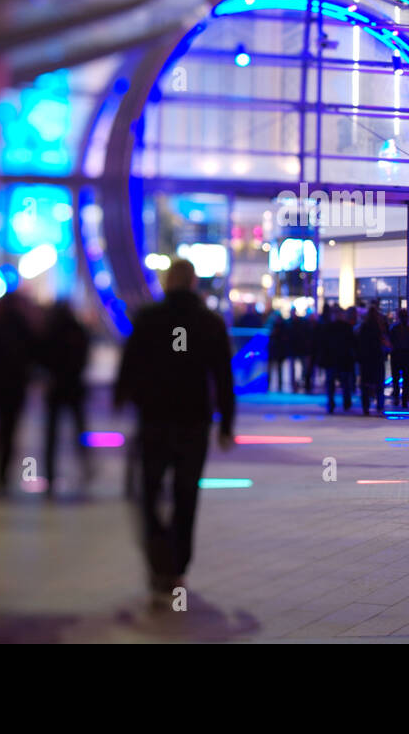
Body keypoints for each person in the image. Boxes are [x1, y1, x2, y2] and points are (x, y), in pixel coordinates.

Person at [114, 259, 235, 606]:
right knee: (186, 494)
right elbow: (223, 378)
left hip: (154, 417)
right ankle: (178, 565)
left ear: (167, 282)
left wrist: (123, 395)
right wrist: (226, 424)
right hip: (193, 421)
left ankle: (158, 560)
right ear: (194, 283)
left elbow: (130, 361)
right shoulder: (209, 322)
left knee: (150, 490)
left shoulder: (149, 318)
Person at [39, 300, 93, 498]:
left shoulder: (51, 331)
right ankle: (86, 468)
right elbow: (84, 356)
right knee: (78, 431)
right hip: (73, 387)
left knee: (52, 435)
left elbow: (42, 356)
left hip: (57, 388)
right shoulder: (77, 331)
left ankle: (51, 475)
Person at [0, 292, 35, 497]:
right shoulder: (22, 327)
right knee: (9, 430)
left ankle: (0, 474)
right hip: (15, 387)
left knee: (2, 431)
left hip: (0, 386)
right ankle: (2, 474)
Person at [323, 306, 356, 414]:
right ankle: (346, 403)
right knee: (344, 383)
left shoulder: (329, 327)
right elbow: (352, 344)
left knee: (332, 384)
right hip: (343, 360)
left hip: (334, 360)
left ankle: (332, 404)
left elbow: (324, 345)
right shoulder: (346, 327)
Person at [355, 304, 388, 414]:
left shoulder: (364, 327)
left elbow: (359, 343)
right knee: (379, 383)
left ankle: (366, 406)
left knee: (365, 384)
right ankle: (380, 405)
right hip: (378, 357)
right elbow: (384, 341)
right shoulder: (380, 327)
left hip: (366, 358)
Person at [388, 308, 409, 407]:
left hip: (396, 355)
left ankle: (396, 397)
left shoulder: (393, 328)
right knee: (407, 379)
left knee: (396, 378)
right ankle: (405, 399)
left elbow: (390, 341)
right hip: (408, 355)